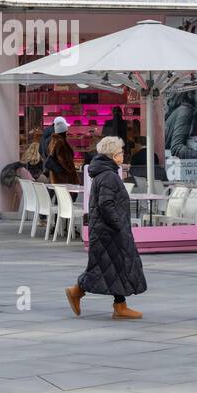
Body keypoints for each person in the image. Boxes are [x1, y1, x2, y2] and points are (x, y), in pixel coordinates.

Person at [65, 136, 146, 321]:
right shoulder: (109, 175)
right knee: (108, 266)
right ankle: (78, 290)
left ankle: (118, 305)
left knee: (113, 267)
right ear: (113, 155)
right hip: (109, 231)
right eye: (120, 152)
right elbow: (106, 204)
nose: (123, 155)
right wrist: (119, 224)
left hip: (105, 230)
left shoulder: (105, 173)